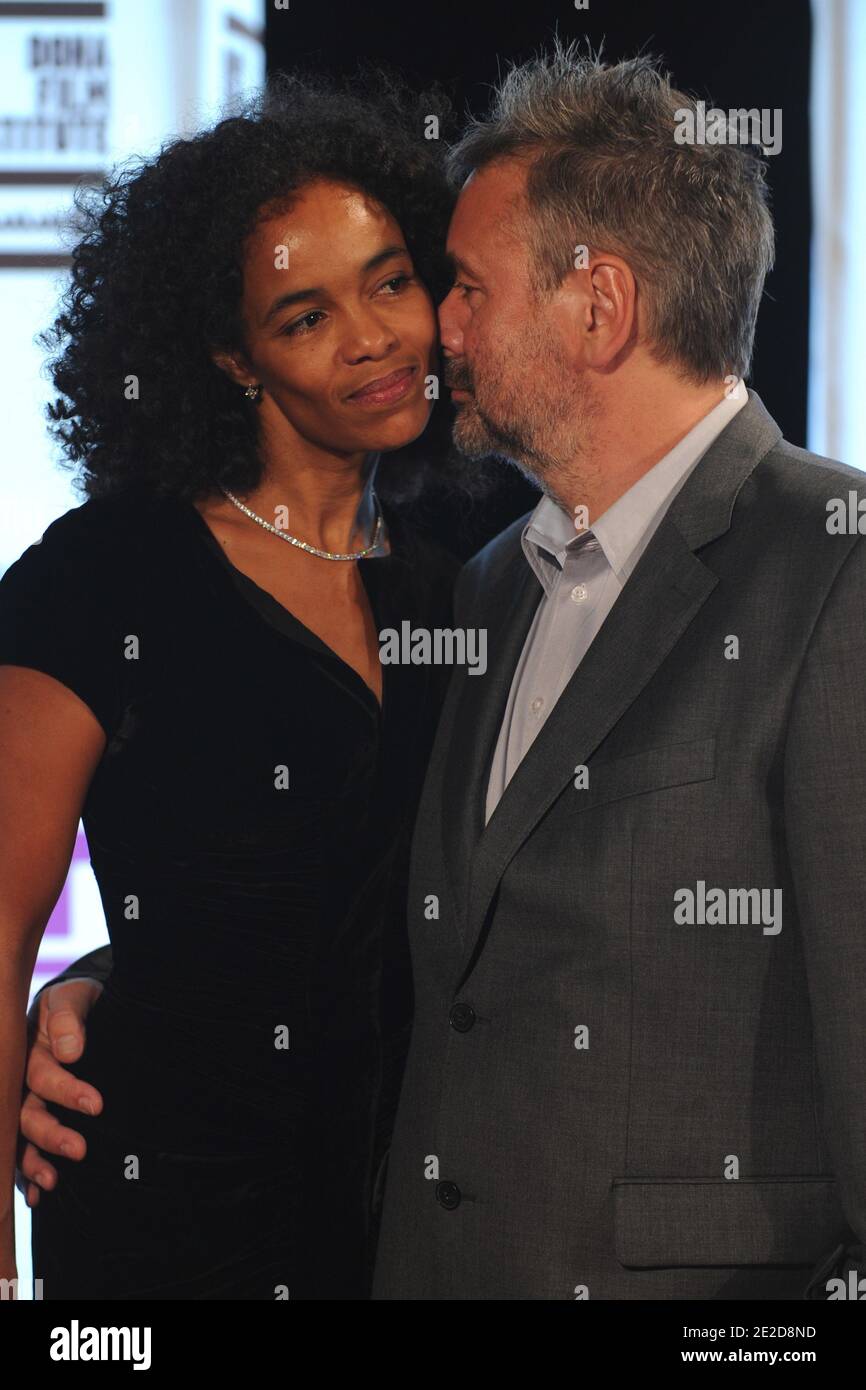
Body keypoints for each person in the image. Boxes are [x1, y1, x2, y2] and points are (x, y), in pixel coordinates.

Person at [365, 45, 866, 1299]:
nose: (441, 328)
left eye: (468, 288)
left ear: (598, 307)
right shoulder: (487, 585)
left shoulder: (833, 564)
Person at [1, 68, 464, 1300]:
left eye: (389, 282)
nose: (371, 339)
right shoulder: (110, 572)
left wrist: (92, 968)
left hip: (399, 1223)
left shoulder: (453, 594)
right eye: (303, 316)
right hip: (162, 1216)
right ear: (230, 356)